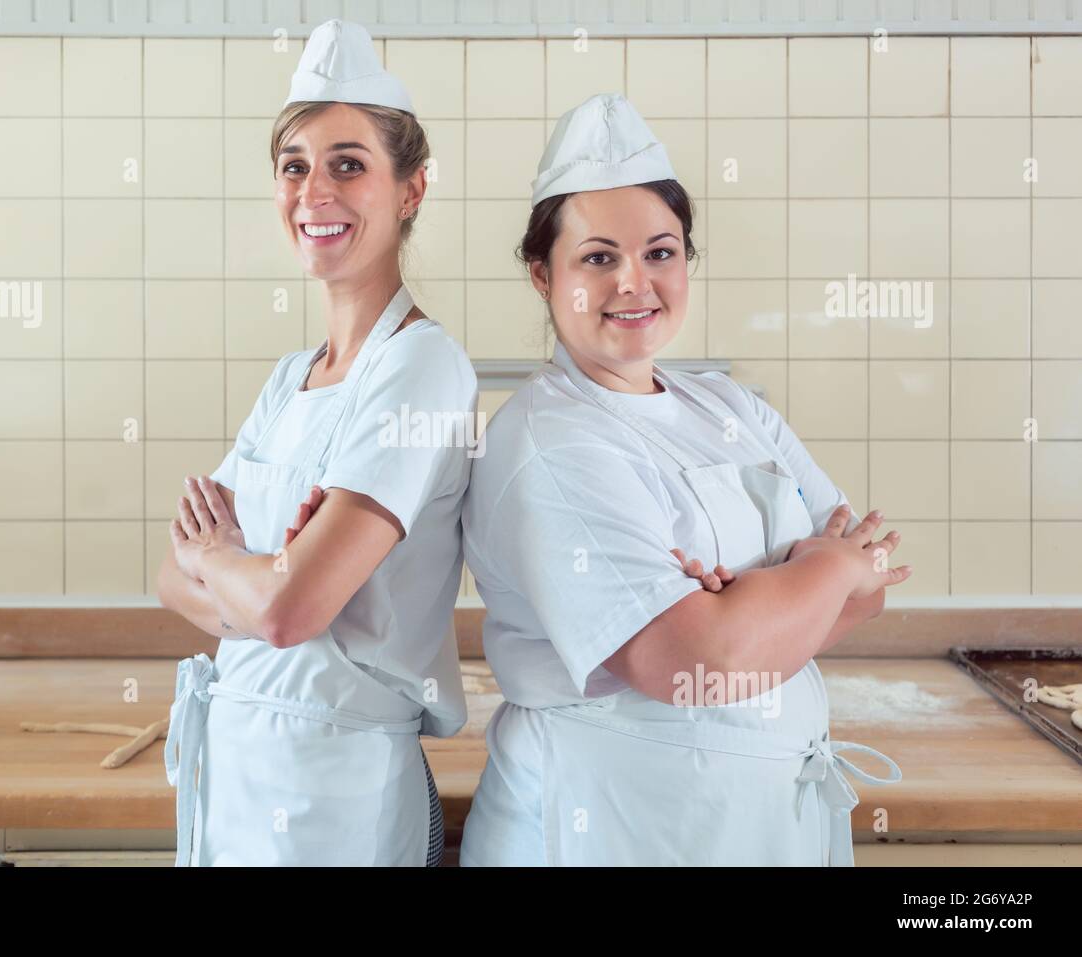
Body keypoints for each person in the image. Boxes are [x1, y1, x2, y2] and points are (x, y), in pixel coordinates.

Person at [459, 93, 907, 867]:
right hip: (615, 827)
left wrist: (744, 609)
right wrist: (819, 568)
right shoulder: (550, 441)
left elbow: (873, 587)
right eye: (599, 257)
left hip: (756, 827)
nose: (636, 282)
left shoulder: (727, 405)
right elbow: (692, 663)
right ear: (542, 273)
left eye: (661, 252)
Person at [157, 20, 477, 866]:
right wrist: (261, 580)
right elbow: (167, 577)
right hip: (236, 777)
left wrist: (233, 563)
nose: (313, 191)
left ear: (410, 191)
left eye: (348, 164)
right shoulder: (290, 378)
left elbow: (289, 608)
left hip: (336, 795)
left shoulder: (425, 368)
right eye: (294, 166)